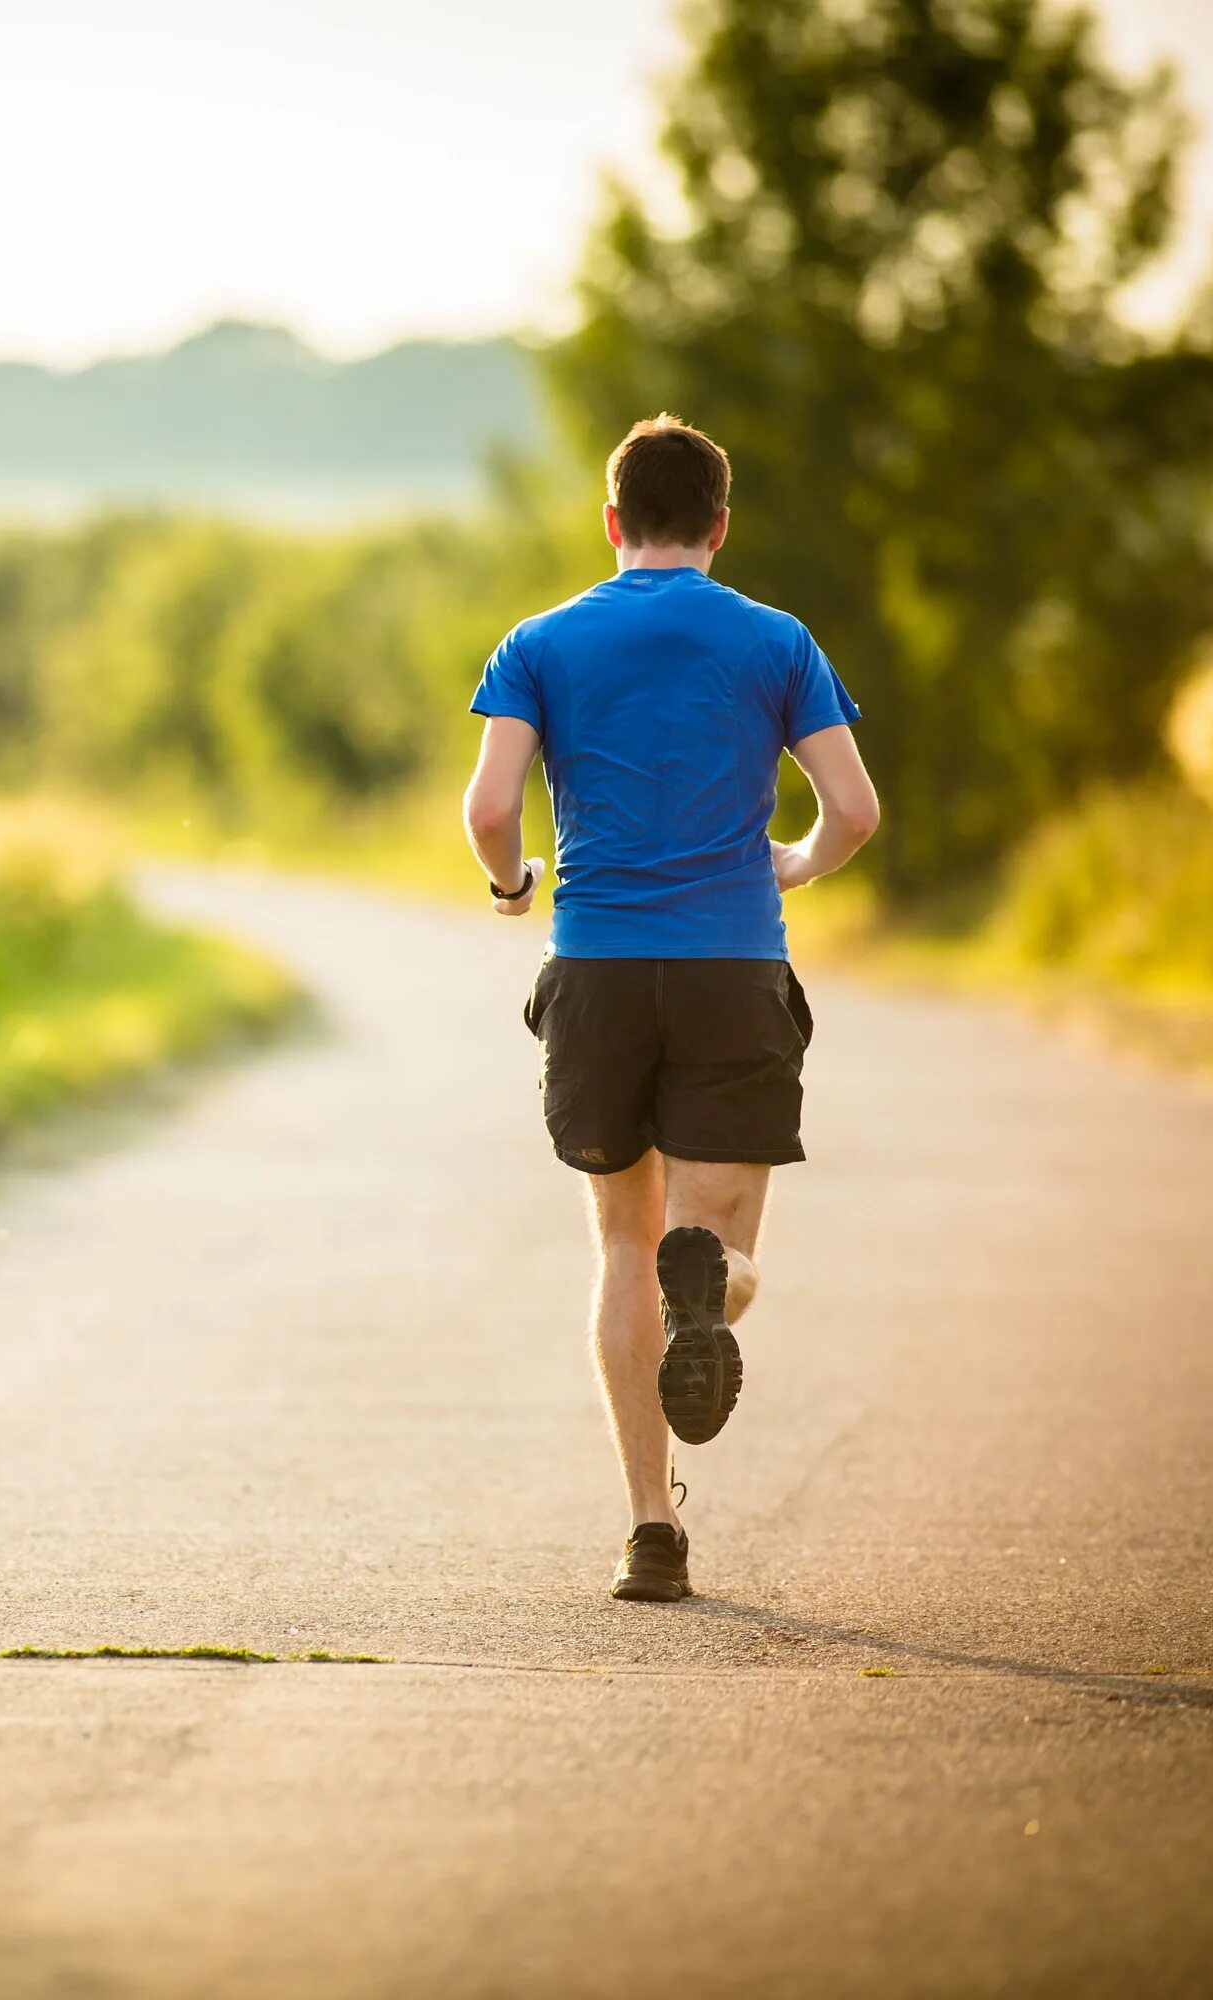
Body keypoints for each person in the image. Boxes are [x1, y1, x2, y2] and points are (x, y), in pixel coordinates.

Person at [461, 414, 881, 1604]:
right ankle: (717, 1292)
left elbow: (491, 806)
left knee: (620, 1245)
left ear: (610, 522)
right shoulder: (775, 639)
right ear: (719, 523)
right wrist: (791, 863)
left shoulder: (540, 641)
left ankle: (652, 1532)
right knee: (720, 1247)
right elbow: (852, 810)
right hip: (729, 967)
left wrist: (511, 886)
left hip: (594, 966)